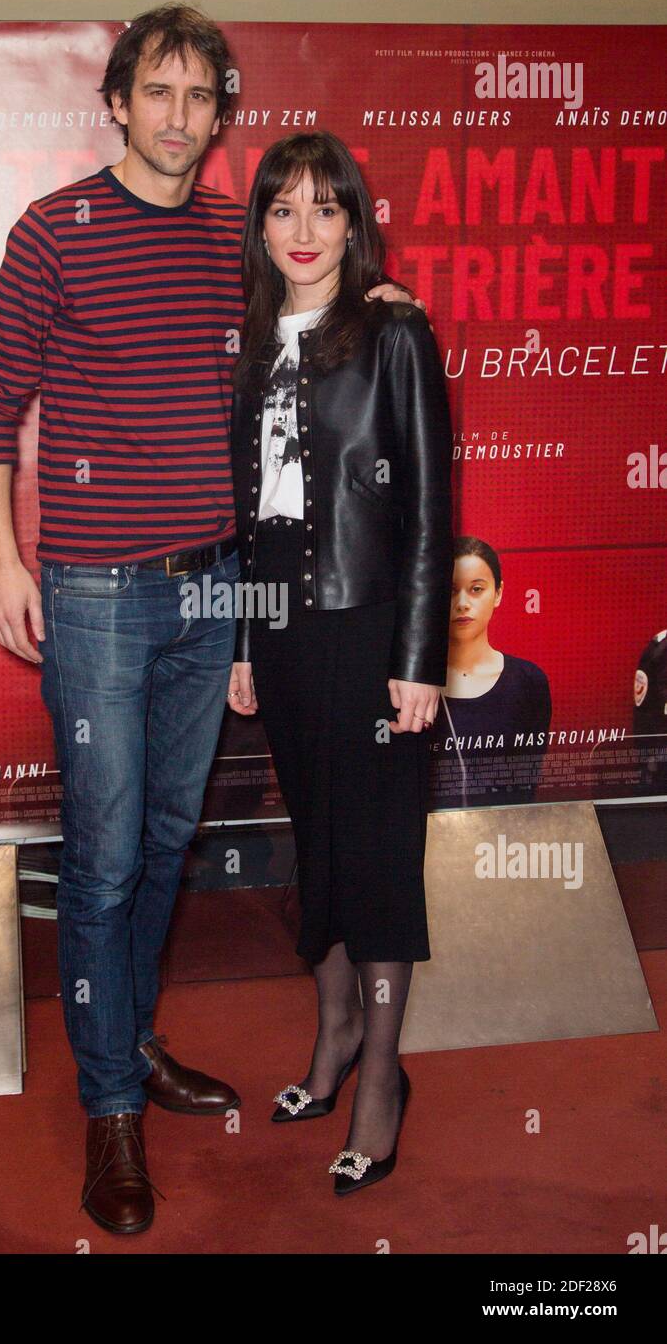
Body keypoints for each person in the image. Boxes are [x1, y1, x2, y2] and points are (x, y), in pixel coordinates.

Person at [0, 4, 422, 1235]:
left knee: (165, 839)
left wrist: (387, 301)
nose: (177, 115)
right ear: (115, 101)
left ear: (221, 113)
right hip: (99, 593)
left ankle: (133, 1039)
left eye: (199, 95)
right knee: (104, 856)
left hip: (221, 587)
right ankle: (109, 1105)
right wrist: (3, 557)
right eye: (153, 92)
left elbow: (323, 312)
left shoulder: (243, 236)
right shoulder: (51, 230)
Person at [228, 130, 454, 1195]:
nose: (305, 231)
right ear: (260, 226)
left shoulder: (394, 333)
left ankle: (379, 1079)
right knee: (313, 846)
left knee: (372, 854)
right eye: (283, 210)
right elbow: (245, 520)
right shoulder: (249, 343)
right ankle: (328, 1042)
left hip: (371, 633)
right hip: (278, 628)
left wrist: (418, 658)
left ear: (355, 225)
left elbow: (426, 513)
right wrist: (241, 633)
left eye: (326, 209)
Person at [432, 537, 552, 808]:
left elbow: (525, 786)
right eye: (450, 591)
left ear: (497, 593)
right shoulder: (411, 681)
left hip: (502, 841)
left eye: (476, 589)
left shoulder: (528, 682)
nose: (462, 603)